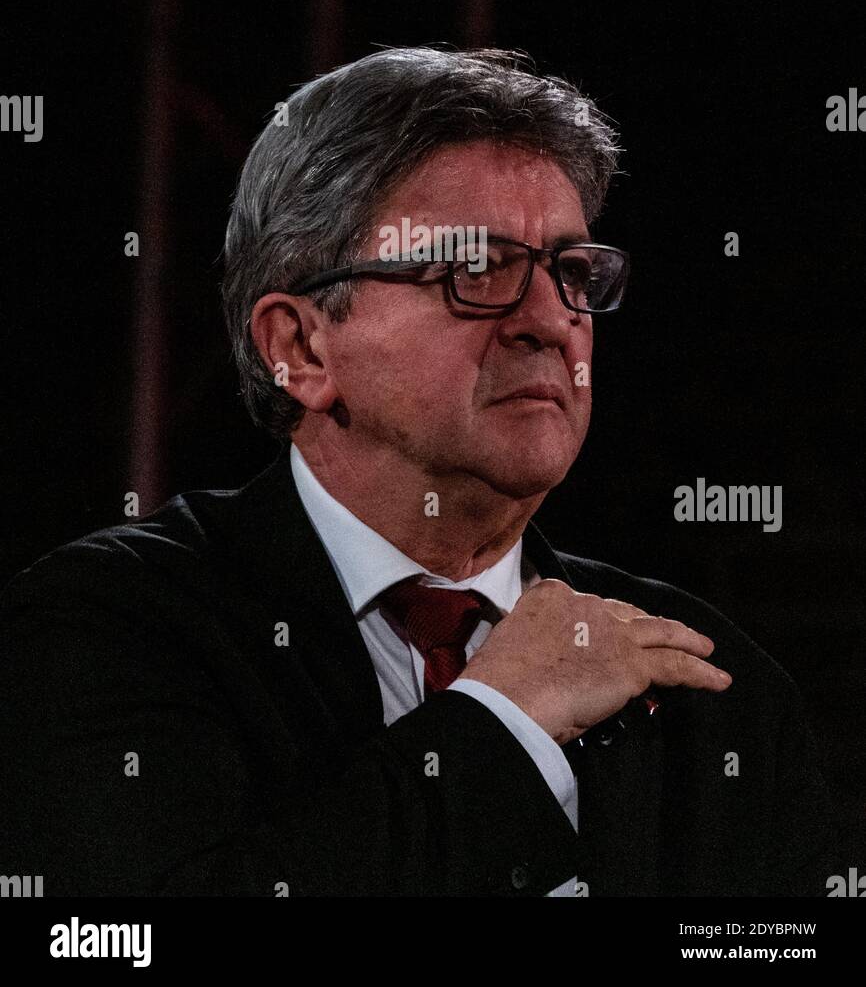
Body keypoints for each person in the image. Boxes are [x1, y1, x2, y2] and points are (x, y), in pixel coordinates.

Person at [0, 46, 840, 896]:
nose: (551, 320)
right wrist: (504, 720)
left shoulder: (703, 678)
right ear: (301, 345)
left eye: (572, 272)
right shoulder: (110, 626)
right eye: (476, 268)